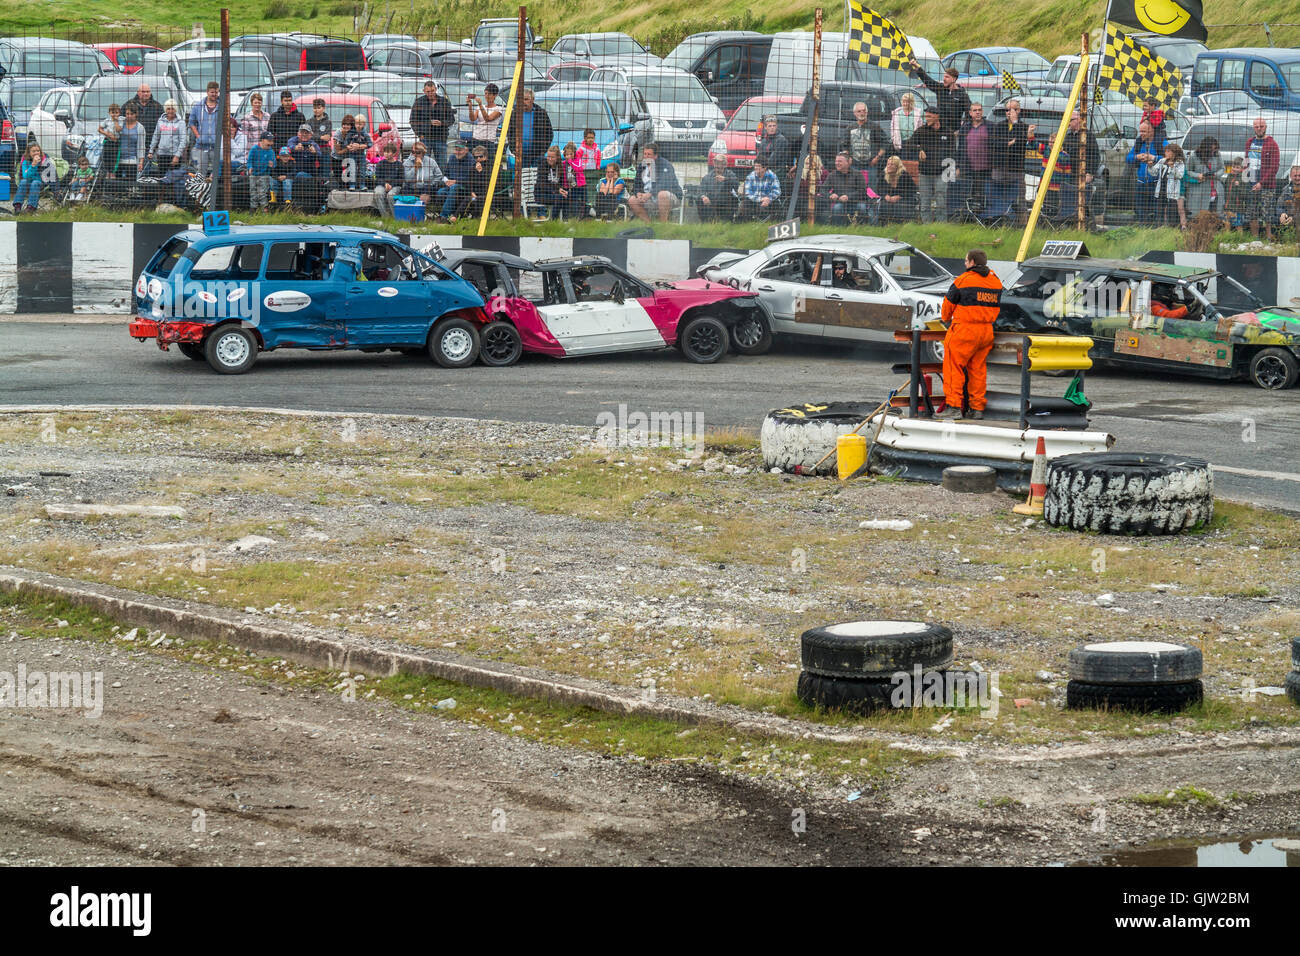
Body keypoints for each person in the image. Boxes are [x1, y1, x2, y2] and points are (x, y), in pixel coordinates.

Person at [938, 249, 1002, 420]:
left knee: (954, 368)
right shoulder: (995, 281)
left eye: (966, 261)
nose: (965, 264)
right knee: (978, 371)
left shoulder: (963, 280)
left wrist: (945, 319)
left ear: (972, 262)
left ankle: (953, 407)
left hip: (964, 330)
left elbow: (947, 307)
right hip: (986, 331)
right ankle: (977, 408)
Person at [906, 106, 954, 223]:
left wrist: (951, 169)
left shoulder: (948, 132)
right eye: (925, 116)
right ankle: (926, 226)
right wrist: (919, 150)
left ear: (937, 116)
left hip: (942, 173)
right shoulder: (921, 131)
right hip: (925, 173)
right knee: (925, 201)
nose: (927, 118)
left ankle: (941, 226)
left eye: (929, 116)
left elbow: (953, 152)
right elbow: (908, 145)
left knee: (941, 200)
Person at [1243, 116, 1280, 240]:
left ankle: (1269, 237)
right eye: (1256, 127)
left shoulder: (1272, 144)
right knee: (1252, 211)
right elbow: (1246, 161)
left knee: (1267, 213)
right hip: (1251, 183)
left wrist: (1261, 183)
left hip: (1267, 185)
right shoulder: (1249, 142)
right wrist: (1245, 178)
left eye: (1261, 126)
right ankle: (1255, 239)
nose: (1259, 129)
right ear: (1253, 128)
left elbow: (1274, 167)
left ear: (1266, 127)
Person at [909, 61, 971, 133]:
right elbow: (929, 81)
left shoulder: (962, 95)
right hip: (938, 130)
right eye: (944, 76)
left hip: (953, 132)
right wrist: (918, 68)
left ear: (954, 79)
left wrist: (961, 130)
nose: (944, 79)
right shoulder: (941, 88)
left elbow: (969, 114)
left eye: (947, 77)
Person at [1126, 120, 1167, 225]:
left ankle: (1157, 231)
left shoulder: (1162, 142)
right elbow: (1128, 158)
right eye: (1140, 131)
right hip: (1141, 183)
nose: (1141, 134)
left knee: (1157, 213)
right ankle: (1142, 230)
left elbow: (1170, 159)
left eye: (1144, 131)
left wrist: (1154, 158)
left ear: (1152, 131)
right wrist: (1138, 157)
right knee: (1141, 213)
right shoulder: (1139, 143)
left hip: (1157, 184)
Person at [627, 144, 682, 222]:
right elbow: (636, 184)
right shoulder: (641, 166)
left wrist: (650, 194)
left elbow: (665, 184)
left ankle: (663, 224)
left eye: (649, 154)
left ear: (655, 155)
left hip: (670, 197)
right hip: (649, 199)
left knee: (662, 195)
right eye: (645, 154)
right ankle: (649, 224)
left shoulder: (665, 164)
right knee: (632, 200)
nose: (646, 156)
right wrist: (638, 193)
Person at [840, 101, 888, 186]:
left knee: (871, 190)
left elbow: (885, 143)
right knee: (854, 187)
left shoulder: (874, 126)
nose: (862, 113)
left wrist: (877, 157)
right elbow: (844, 145)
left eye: (864, 110)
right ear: (854, 113)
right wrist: (848, 158)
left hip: (871, 164)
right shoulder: (850, 128)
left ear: (867, 112)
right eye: (859, 111)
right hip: (854, 165)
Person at [956, 102, 991, 215]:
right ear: (970, 113)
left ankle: (981, 217)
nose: (977, 112)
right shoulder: (965, 128)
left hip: (985, 169)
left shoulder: (990, 126)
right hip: (968, 168)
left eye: (979, 110)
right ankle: (967, 217)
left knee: (982, 195)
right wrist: (958, 167)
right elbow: (960, 149)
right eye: (975, 110)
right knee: (967, 194)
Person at [411, 81, 456, 162]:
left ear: (436, 89)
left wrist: (442, 123)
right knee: (424, 162)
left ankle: (441, 175)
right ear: (424, 91)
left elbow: (451, 119)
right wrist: (419, 133)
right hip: (425, 137)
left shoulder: (444, 102)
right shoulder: (419, 102)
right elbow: (413, 120)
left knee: (442, 163)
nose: (430, 93)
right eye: (428, 91)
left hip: (440, 137)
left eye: (432, 91)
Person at [820, 151, 869, 224]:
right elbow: (823, 190)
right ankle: (838, 229)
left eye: (840, 161)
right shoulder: (832, 175)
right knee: (837, 208)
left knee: (862, 207)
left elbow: (863, 191)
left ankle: (861, 228)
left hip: (856, 202)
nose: (837, 163)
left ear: (847, 163)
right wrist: (830, 195)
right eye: (836, 161)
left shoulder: (858, 174)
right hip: (839, 202)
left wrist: (848, 197)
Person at [286, 123, 324, 210]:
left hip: (309, 173)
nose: (303, 135)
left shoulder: (313, 144)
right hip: (292, 172)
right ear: (298, 133)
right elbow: (288, 147)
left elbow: (321, 156)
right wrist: (295, 148)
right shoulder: (293, 140)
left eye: (306, 133)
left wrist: (314, 152)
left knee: (301, 175)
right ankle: (288, 206)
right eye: (302, 132)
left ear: (311, 134)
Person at [188, 81, 221, 181]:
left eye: (216, 92)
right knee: (201, 171)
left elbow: (228, 122)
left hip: (217, 145)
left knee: (217, 169)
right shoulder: (198, 107)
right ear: (207, 92)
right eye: (212, 92)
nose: (214, 94)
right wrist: (198, 136)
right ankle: (200, 192)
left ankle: (212, 191)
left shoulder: (222, 106)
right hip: (202, 145)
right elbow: (191, 123)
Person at [1150, 142, 1187, 229]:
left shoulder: (1179, 163)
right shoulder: (1162, 161)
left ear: (1174, 153)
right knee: (1160, 210)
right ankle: (1160, 227)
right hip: (1161, 189)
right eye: (1166, 151)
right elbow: (1154, 172)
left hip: (1172, 192)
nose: (1166, 153)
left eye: (1169, 151)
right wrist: (1150, 166)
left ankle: (1172, 228)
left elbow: (1180, 176)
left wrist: (1172, 167)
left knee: (1172, 211)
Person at [437, 140, 475, 222]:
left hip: (465, 188)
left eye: (460, 150)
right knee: (440, 192)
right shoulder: (451, 158)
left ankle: (443, 216)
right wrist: (447, 181)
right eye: (456, 150)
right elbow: (446, 173)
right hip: (451, 186)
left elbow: (470, 178)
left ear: (466, 150)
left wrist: (455, 181)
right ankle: (451, 215)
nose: (457, 152)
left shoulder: (471, 160)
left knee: (454, 188)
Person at [696, 152, 738, 222]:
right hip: (711, 200)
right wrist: (703, 197)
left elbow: (736, 185)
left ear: (724, 165)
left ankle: (726, 221)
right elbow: (700, 189)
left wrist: (725, 179)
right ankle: (705, 222)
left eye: (719, 163)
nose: (716, 165)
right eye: (715, 163)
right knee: (699, 199)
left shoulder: (730, 174)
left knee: (731, 200)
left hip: (725, 202)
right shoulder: (708, 176)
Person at [1183, 137, 1220, 217]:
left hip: (1212, 189)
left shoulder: (1217, 155)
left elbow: (1222, 169)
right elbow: (1187, 171)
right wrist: (1198, 175)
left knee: (1210, 214)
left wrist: (1215, 175)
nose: (1213, 151)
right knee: (1195, 214)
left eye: (1215, 149)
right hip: (1197, 188)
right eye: (1211, 150)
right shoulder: (1194, 156)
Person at [147, 99, 186, 174]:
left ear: (175, 110)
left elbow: (183, 140)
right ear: (165, 109)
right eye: (168, 109)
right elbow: (156, 137)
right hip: (161, 154)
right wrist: (151, 151)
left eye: (172, 109)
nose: (170, 111)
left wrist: (177, 156)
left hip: (174, 155)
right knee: (162, 177)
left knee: (173, 178)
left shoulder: (181, 122)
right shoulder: (160, 121)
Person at [403, 140, 447, 207]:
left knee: (429, 190)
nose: (415, 154)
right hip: (412, 187)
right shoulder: (407, 162)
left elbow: (439, 176)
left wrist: (431, 183)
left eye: (418, 153)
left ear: (423, 153)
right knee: (405, 190)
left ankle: (423, 209)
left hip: (427, 187)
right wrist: (415, 168)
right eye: (413, 152)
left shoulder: (430, 161)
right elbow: (407, 179)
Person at [12, 142, 52, 213]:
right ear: (29, 153)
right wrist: (33, 165)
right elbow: (25, 176)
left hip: (40, 184)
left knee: (35, 182)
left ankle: (31, 207)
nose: (36, 153)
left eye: (38, 151)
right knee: (23, 181)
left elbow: (46, 176)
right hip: (28, 183)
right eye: (33, 151)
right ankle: (17, 205)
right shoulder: (25, 162)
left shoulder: (43, 162)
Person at [334, 114, 371, 189]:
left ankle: (362, 185)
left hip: (361, 155)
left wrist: (360, 146)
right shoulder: (351, 133)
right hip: (352, 154)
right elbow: (346, 143)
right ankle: (352, 185)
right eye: (356, 123)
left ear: (364, 124)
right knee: (352, 169)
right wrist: (349, 146)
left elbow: (370, 144)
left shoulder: (365, 134)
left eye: (360, 124)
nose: (358, 126)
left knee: (362, 170)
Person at [754, 116, 793, 187]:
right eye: (770, 126)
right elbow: (759, 157)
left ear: (776, 126)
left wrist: (762, 168)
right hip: (765, 169)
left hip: (777, 170)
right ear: (765, 127)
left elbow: (774, 159)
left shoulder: (781, 140)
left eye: (774, 126)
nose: (772, 128)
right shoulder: (764, 141)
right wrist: (758, 166)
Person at [879, 154, 918, 222]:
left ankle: (901, 225)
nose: (889, 166)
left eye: (892, 164)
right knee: (884, 205)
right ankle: (885, 225)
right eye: (888, 164)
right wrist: (885, 196)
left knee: (900, 206)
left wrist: (899, 196)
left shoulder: (904, 175)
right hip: (889, 198)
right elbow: (879, 188)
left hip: (905, 198)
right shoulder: (883, 174)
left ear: (897, 166)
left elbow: (913, 189)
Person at [115, 104, 147, 185]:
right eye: (127, 114)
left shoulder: (140, 127)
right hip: (118, 160)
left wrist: (141, 162)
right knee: (117, 184)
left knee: (130, 184)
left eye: (131, 114)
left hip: (132, 160)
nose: (129, 116)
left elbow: (141, 146)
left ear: (136, 114)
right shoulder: (121, 123)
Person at [467, 83, 503, 153]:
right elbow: (472, 118)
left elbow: (488, 118)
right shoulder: (480, 107)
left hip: (488, 141)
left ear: (495, 95)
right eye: (485, 93)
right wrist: (470, 106)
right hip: (476, 138)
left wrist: (480, 105)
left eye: (489, 94)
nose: (487, 96)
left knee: (488, 162)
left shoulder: (498, 109)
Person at [373, 142, 405, 218]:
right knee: (378, 193)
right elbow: (377, 178)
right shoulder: (380, 164)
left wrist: (391, 185)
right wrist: (385, 184)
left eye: (388, 152)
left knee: (391, 195)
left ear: (394, 154)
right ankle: (385, 217)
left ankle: (395, 217)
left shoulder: (399, 165)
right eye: (385, 152)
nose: (386, 154)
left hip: (395, 185)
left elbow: (401, 179)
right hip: (382, 184)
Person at [574, 128, 602, 213]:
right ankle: (584, 206)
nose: (590, 139)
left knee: (593, 188)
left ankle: (592, 204)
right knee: (584, 189)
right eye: (588, 137)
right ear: (585, 138)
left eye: (592, 138)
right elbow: (577, 159)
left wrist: (598, 167)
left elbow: (598, 158)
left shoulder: (596, 149)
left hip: (593, 171)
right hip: (583, 172)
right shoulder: (581, 149)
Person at [248, 131, 276, 210]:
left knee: (262, 193)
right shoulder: (254, 149)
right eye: (269, 141)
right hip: (253, 174)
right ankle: (253, 208)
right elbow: (249, 160)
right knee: (253, 192)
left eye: (272, 141)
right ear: (263, 140)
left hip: (264, 175)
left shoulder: (271, 151)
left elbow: (274, 164)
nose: (271, 143)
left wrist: (272, 165)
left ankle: (264, 208)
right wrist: (250, 167)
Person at [97, 102, 122, 178]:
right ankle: (107, 174)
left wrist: (116, 121)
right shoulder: (107, 121)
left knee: (114, 159)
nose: (114, 115)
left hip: (116, 142)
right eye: (112, 113)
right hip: (108, 141)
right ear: (109, 113)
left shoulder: (121, 121)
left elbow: (118, 130)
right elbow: (99, 129)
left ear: (119, 113)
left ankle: (113, 174)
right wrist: (106, 134)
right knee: (106, 158)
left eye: (116, 113)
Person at [1276, 165, 1300, 232]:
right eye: (1295, 176)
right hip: (1289, 219)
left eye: (1299, 175)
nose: (1297, 178)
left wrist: (1294, 218)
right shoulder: (1286, 189)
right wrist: (1282, 214)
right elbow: (1279, 206)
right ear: (1290, 176)